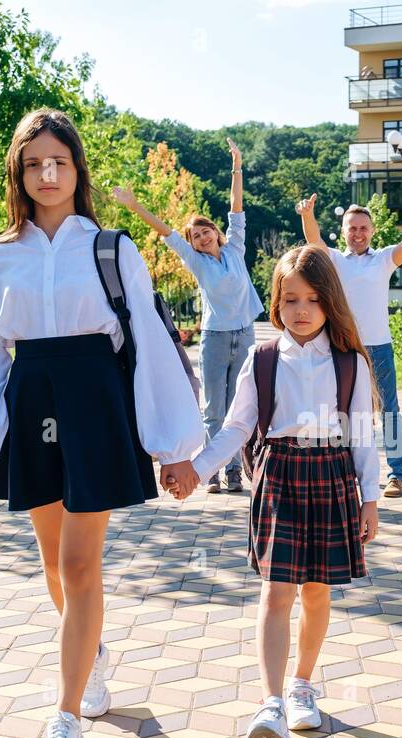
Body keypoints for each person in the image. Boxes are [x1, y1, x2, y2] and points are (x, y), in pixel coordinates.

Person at [0, 108, 202, 738]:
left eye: (58, 160)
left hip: (94, 403)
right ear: (20, 172)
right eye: (33, 162)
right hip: (32, 400)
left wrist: (174, 446)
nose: (47, 173)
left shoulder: (114, 249)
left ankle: (64, 723)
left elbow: (150, 347)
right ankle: (89, 657)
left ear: (77, 168)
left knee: (80, 562)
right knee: (54, 567)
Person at [166, 245, 380, 738]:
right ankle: (271, 703)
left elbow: (365, 436)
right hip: (279, 478)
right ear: (275, 303)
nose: (299, 310)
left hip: (331, 477)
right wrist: (196, 470)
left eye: (310, 298)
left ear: (329, 300)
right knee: (275, 592)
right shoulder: (262, 359)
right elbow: (235, 427)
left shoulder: (350, 362)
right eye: (288, 300)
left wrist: (370, 499)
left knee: (317, 591)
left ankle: (303, 684)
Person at [114, 137, 263, 494]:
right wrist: (134, 205)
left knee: (240, 407)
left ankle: (233, 472)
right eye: (195, 237)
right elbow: (165, 230)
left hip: (244, 336)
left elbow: (236, 207)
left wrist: (237, 166)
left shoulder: (236, 249)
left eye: (205, 231)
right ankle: (211, 471)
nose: (201, 237)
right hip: (215, 338)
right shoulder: (195, 260)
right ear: (193, 245)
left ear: (216, 232)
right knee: (214, 409)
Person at [296, 193, 402, 498]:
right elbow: (315, 241)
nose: (358, 233)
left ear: (372, 231)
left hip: (379, 348)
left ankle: (396, 475)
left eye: (363, 228)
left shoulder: (383, 259)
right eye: (352, 228)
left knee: (390, 410)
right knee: (345, 412)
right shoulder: (334, 260)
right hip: (343, 346)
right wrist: (307, 215)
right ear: (344, 231)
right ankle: (348, 471)